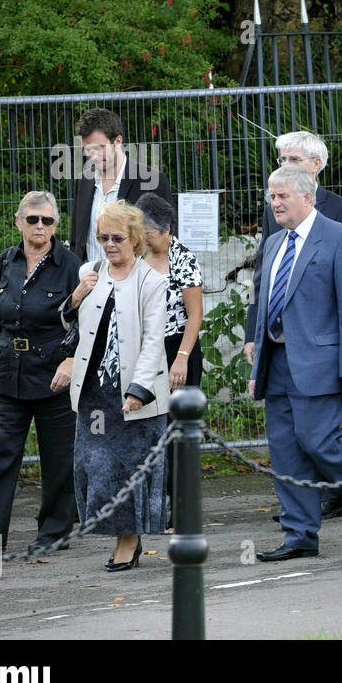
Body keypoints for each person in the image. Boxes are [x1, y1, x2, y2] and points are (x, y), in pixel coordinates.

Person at [248, 166, 342, 560]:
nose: (275, 204)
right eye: (272, 197)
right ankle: (300, 535)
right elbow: (263, 307)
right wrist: (257, 362)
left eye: (283, 197)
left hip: (321, 365)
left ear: (307, 197)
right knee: (284, 452)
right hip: (277, 363)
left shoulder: (340, 237)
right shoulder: (275, 243)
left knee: (319, 442)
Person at [243, 130, 342, 520]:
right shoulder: (277, 209)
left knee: (317, 438)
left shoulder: (340, 214)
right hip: (278, 348)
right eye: (281, 160)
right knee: (285, 441)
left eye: (293, 160)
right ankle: (299, 522)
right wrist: (252, 334)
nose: (284, 167)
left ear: (317, 166)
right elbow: (265, 274)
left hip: (317, 348)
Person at [62, 201, 170, 571]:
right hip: (94, 391)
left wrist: (138, 389)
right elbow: (66, 324)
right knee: (95, 466)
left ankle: (129, 540)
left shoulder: (152, 282)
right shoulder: (89, 272)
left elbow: (155, 340)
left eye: (117, 238)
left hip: (133, 394)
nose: (109, 244)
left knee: (128, 469)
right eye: (103, 237)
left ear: (136, 240)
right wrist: (77, 295)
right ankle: (115, 531)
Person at [0, 191, 82, 554]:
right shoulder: (7, 261)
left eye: (47, 221)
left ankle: (54, 534)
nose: (40, 226)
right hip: (8, 373)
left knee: (57, 460)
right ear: (18, 221)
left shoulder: (71, 266)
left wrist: (71, 361)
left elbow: (85, 320)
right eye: (33, 219)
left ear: (55, 226)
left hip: (54, 376)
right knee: (4, 455)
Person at [137, 192, 204, 532]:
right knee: (148, 432)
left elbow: (195, 317)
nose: (144, 238)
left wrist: (181, 359)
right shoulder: (136, 256)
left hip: (179, 348)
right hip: (145, 350)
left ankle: (181, 514)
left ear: (166, 230)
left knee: (177, 435)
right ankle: (147, 511)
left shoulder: (183, 259)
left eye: (148, 233)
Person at [67, 107, 171, 262]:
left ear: (118, 141)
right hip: (91, 282)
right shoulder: (83, 181)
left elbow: (166, 240)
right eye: (88, 150)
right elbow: (77, 240)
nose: (93, 156)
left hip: (137, 281)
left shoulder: (151, 181)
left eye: (100, 148)